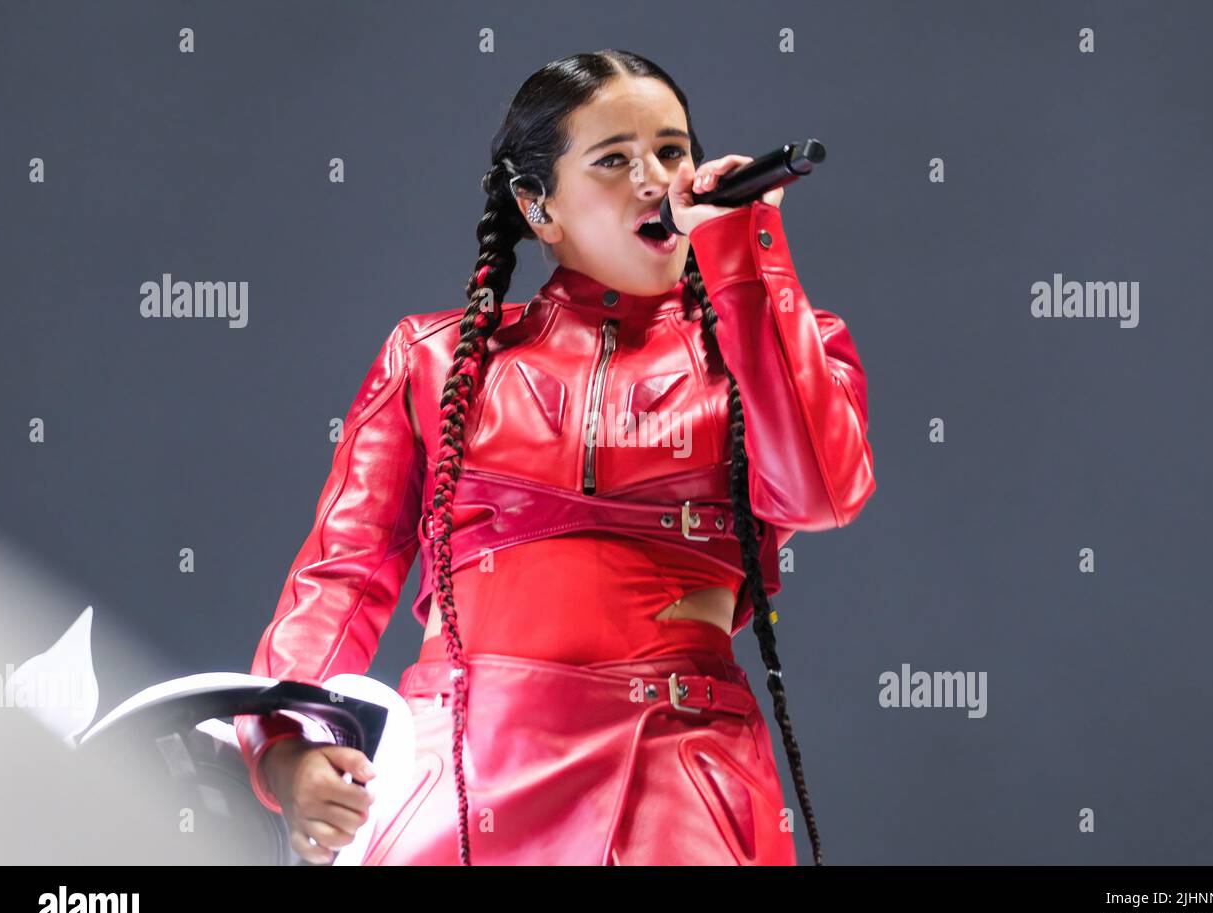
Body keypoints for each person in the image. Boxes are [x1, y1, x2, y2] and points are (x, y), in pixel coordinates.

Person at [234, 49, 875, 866]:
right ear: (539, 207)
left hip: (679, 778)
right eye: (614, 159)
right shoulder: (433, 359)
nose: (656, 179)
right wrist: (286, 744)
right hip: (456, 775)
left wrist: (749, 263)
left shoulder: (782, 348)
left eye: (672, 152)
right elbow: (340, 577)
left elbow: (822, 491)